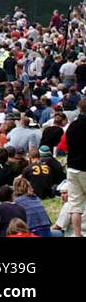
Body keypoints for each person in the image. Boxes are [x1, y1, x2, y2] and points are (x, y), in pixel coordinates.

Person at [65, 97, 86, 238]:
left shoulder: (72, 126)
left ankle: (77, 235)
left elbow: (67, 146)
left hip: (73, 168)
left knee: (75, 206)